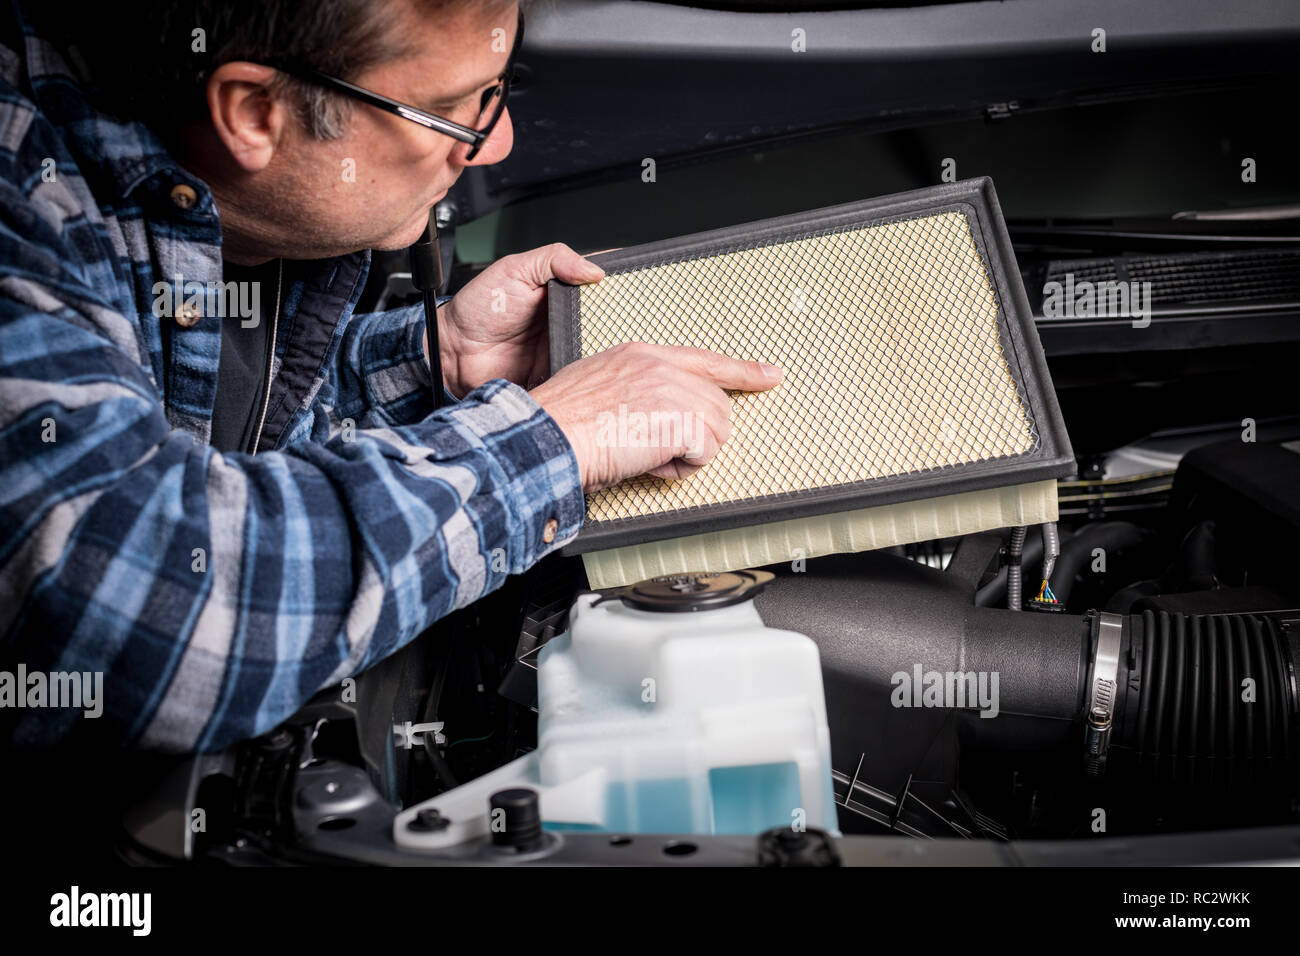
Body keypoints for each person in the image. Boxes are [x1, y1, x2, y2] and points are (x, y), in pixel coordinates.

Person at [0, 0, 783, 753]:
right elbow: (143, 613)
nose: (497, 142)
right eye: (457, 109)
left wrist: (433, 361)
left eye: (498, 91)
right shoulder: (21, 208)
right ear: (252, 113)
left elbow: (198, 434)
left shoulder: (242, 205)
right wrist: (553, 443)